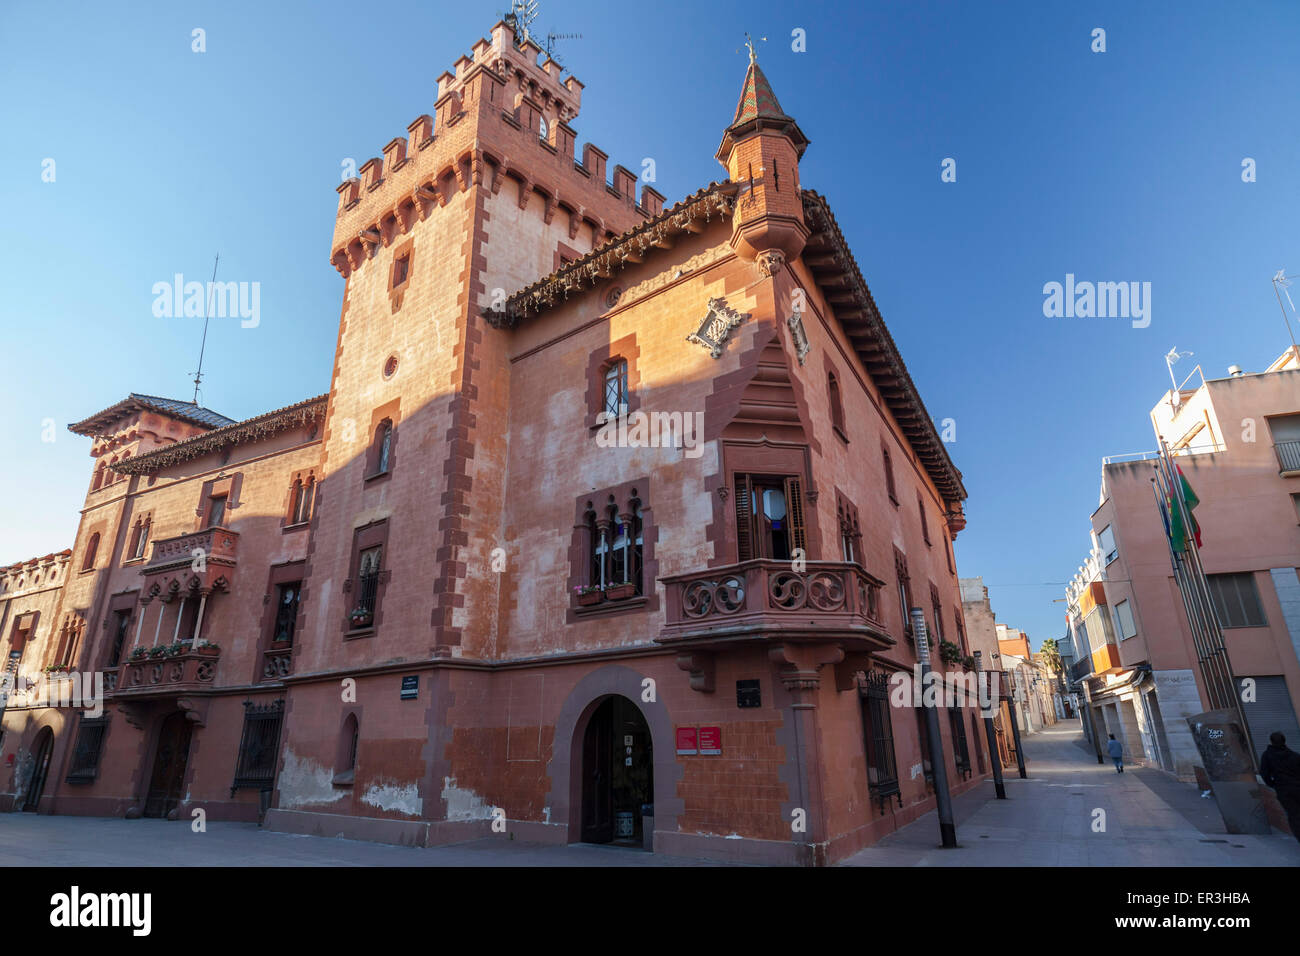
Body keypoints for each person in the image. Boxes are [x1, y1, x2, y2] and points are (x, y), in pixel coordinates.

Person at [1259, 731, 1300, 844]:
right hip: (1297, 787)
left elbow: (1264, 773)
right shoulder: (1294, 755)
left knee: (1293, 815)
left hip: (1283, 789)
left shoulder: (1267, 756)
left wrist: (1272, 784)